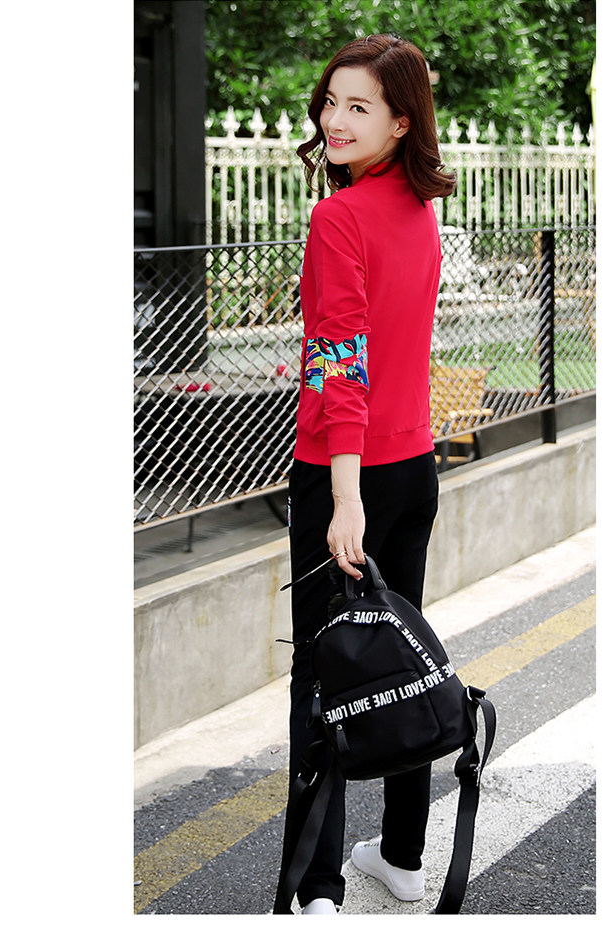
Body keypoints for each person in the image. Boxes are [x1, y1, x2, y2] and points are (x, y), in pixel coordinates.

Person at [278, 34, 456, 915]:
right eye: (331, 102)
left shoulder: (338, 217)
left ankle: (316, 889)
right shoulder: (418, 211)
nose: (336, 121)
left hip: (341, 476)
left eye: (360, 107)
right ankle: (402, 854)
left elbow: (339, 364)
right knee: (398, 654)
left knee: (326, 675)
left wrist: (343, 496)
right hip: (412, 466)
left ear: (401, 120)